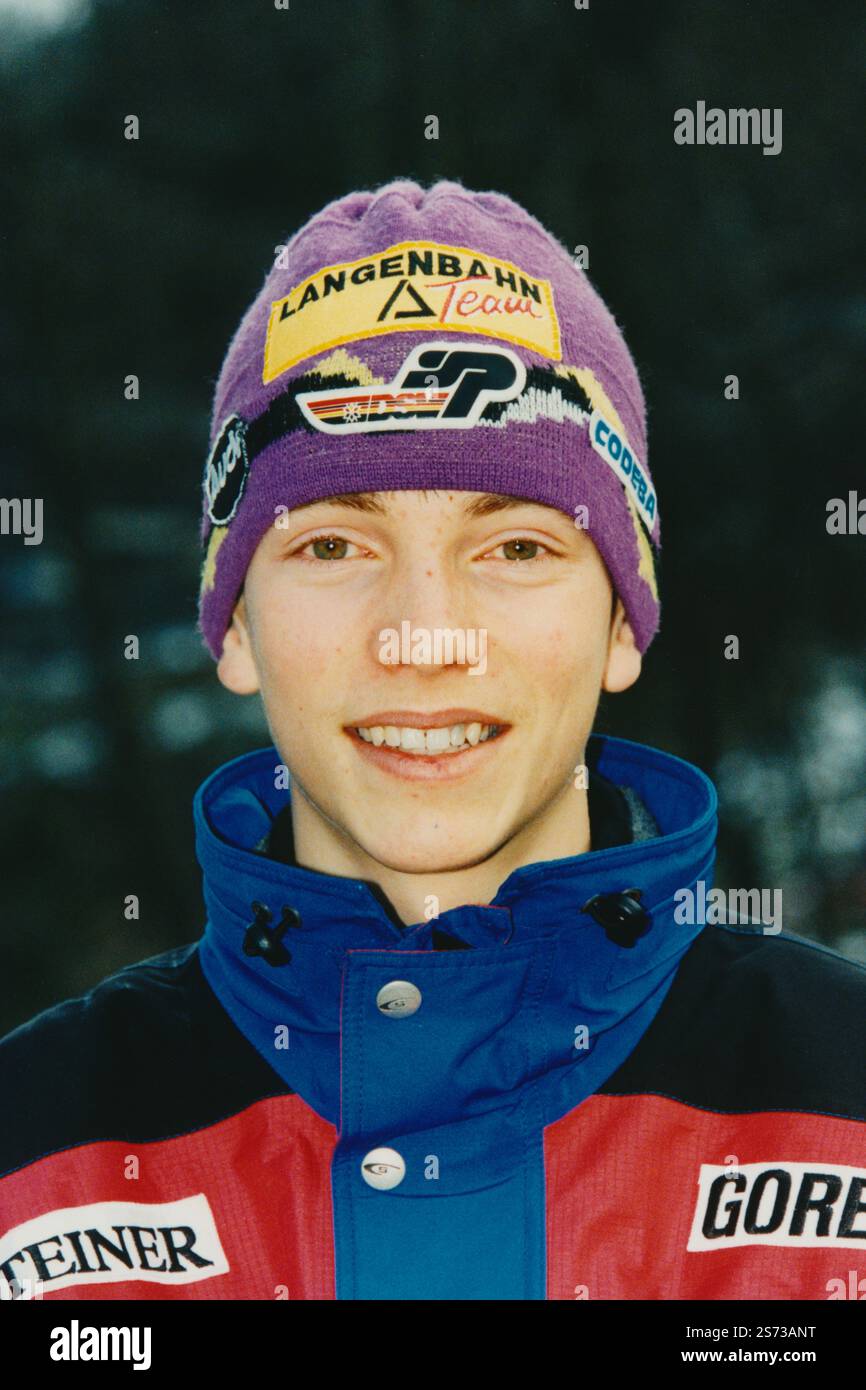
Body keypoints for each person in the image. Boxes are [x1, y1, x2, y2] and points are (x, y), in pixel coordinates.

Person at [1, 180, 863, 1302]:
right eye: (330, 548)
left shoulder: (840, 1098)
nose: (422, 635)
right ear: (231, 624)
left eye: (511, 548)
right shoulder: (32, 1162)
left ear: (619, 619)